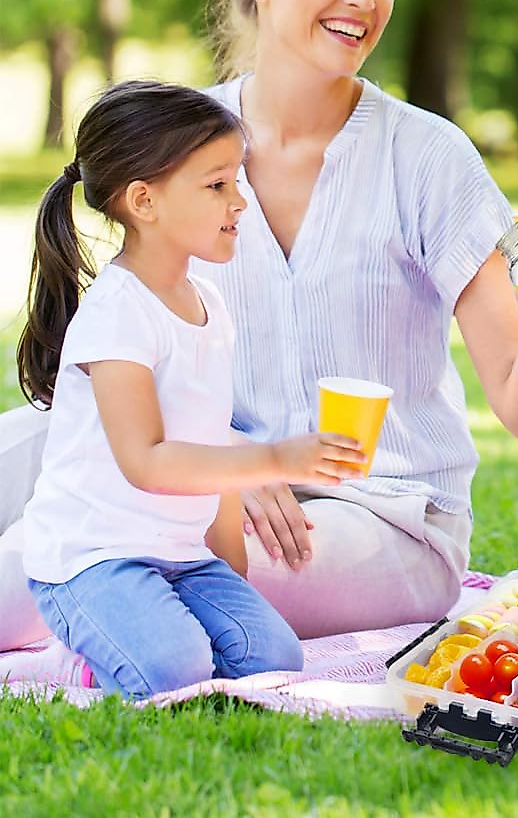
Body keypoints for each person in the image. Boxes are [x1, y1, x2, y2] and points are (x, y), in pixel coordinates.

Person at [0, 0, 518, 651]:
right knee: (30, 440)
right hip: (212, 473)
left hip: (382, 516)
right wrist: (235, 458)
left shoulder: (429, 157)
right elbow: (139, 359)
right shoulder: (181, 140)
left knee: (74, 569)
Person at [13, 80, 368, 698]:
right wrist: (277, 458)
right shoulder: (118, 312)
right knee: (176, 670)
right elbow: (147, 462)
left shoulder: (209, 305)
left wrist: (227, 580)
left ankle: (144, 629)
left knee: (271, 658)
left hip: (179, 557)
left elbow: (212, 448)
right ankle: (77, 654)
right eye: (217, 184)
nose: (241, 202)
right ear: (144, 201)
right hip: (92, 558)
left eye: (237, 180)